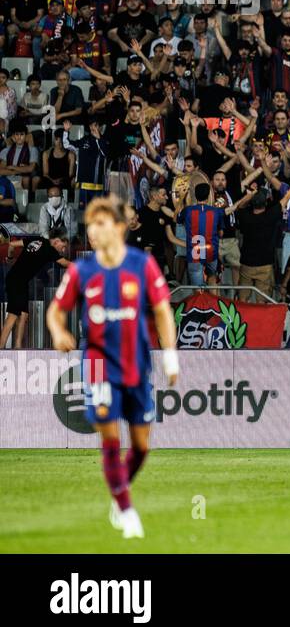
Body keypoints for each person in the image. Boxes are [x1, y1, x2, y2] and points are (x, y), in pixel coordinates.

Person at [46, 195, 178, 539]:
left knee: (141, 446)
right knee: (109, 438)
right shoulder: (81, 270)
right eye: (90, 225)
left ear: (119, 228)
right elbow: (55, 311)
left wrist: (171, 353)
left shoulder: (141, 264)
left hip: (137, 364)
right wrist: (59, 332)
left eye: (101, 223)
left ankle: (118, 493)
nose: (93, 231)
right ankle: (125, 508)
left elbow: (163, 309)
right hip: (99, 364)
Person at [0, 234, 70, 348]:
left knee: (23, 314)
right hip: (17, 281)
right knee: (13, 314)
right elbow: (65, 263)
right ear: (57, 241)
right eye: (63, 246)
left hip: (18, 280)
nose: (63, 250)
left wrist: (10, 258)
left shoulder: (37, 239)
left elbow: (12, 244)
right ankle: (1, 348)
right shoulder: (49, 250)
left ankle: (18, 348)